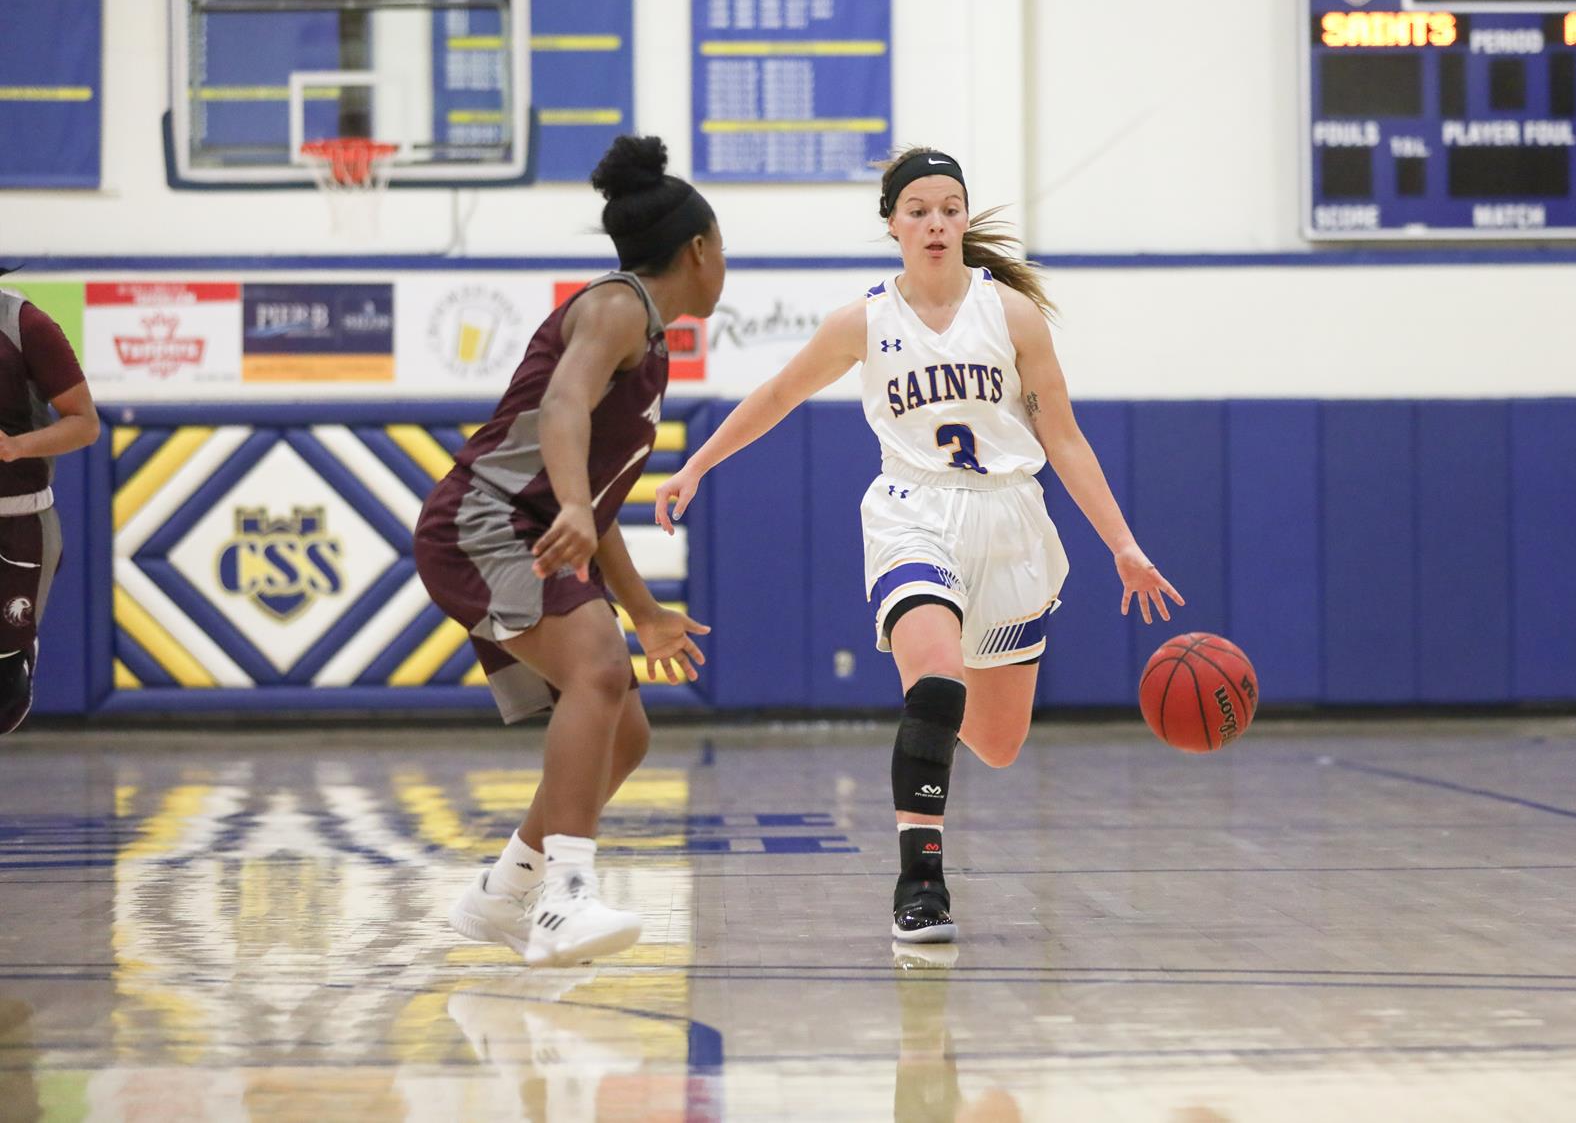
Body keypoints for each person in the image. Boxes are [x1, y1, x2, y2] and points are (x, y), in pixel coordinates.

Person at [654, 145, 1182, 944]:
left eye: (950, 208)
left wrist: (1123, 543)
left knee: (998, 743)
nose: (936, 223)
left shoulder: (1011, 314)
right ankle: (920, 879)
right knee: (935, 685)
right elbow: (777, 394)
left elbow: (1064, 439)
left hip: (1008, 519)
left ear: (965, 219)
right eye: (920, 210)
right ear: (892, 223)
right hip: (912, 509)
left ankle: (932, 720)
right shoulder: (863, 320)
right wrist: (694, 463)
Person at [414, 136, 721, 967]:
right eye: (721, 245)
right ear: (698, 250)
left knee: (626, 731)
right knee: (599, 671)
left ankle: (507, 891)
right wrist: (577, 506)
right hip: (482, 522)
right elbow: (559, 409)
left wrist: (647, 610)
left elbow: (599, 504)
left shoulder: (648, 344)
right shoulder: (618, 306)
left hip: (525, 527)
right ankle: (566, 899)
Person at [0, 278, 99, 735]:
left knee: (5, 694)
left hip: (17, 521)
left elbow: (85, 423)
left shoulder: (25, 324)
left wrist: (17, 447)